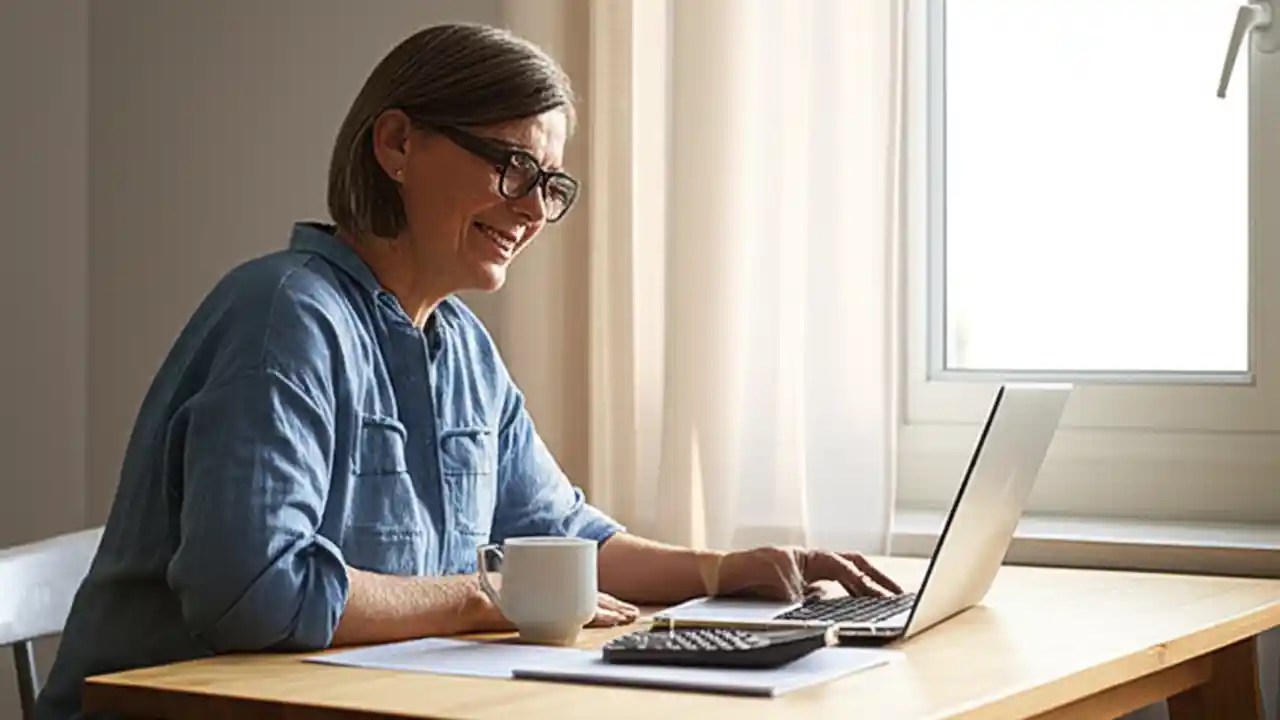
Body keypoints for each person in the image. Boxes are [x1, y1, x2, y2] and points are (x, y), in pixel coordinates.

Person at [37, 23, 900, 719]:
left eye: (551, 184)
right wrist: (490, 598)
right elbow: (258, 597)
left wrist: (725, 571)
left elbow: (567, 542)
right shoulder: (283, 317)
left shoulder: (464, 347)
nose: (532, 209)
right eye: (512, 166)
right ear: (398, 144)